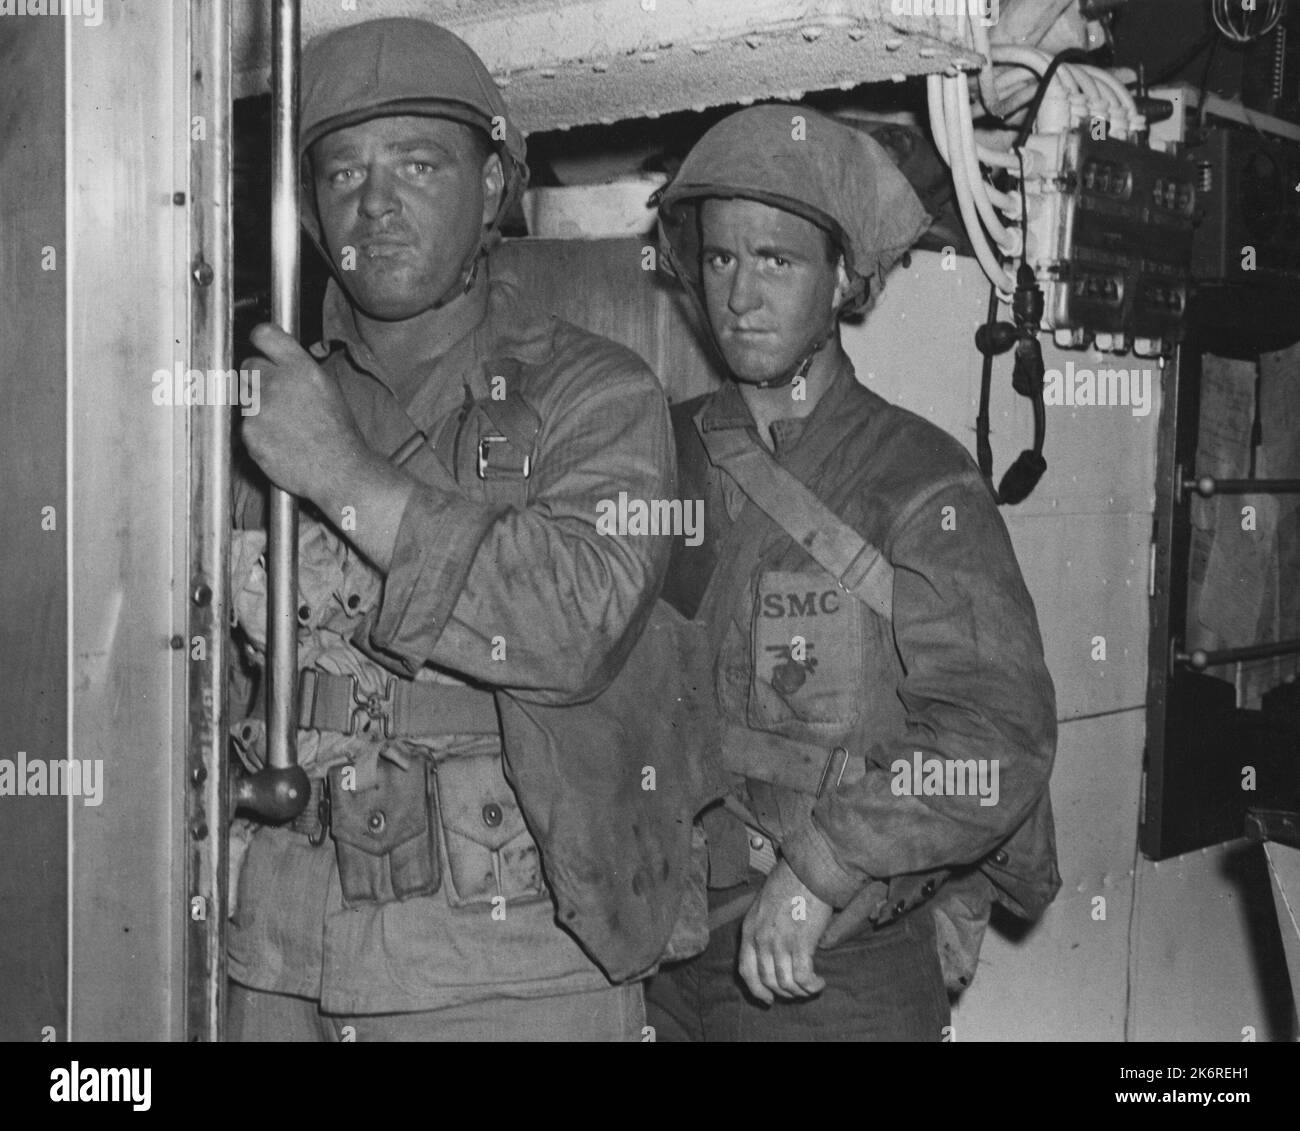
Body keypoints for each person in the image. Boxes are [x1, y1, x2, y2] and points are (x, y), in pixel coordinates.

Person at [226, 16, 712, 1042]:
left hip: (506, 962)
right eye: (343, 172)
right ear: (309, 213)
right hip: (276, 946)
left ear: (492, 187)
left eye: (418, 163)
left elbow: (571, 625)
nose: (377, 204)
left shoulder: (596, 394)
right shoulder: (258, 405)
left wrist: (340, 473)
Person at [644, 104, 1061, 1042]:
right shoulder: (649, 452)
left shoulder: (921, 479)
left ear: (842, 280)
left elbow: (1001, 739)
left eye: (777, 261)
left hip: (839, 968)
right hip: (660, 956)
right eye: (719, 260)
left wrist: (824, 865)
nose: (740, 295)